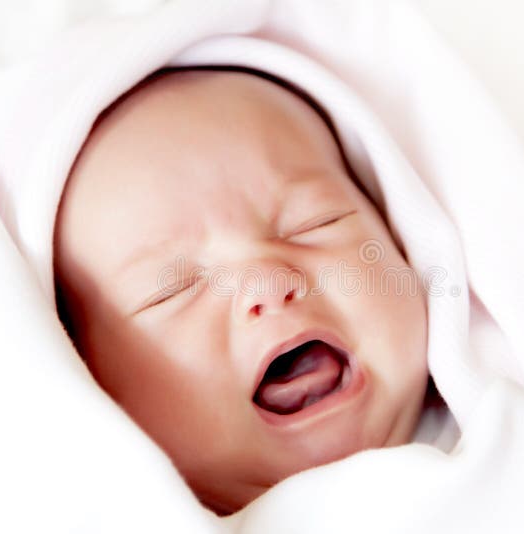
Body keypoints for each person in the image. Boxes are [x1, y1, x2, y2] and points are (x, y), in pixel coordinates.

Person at [53, 66, 445, 515]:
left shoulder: (516, 435)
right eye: (172, 289)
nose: (268, 283)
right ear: (86, 380)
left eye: (315, 222)